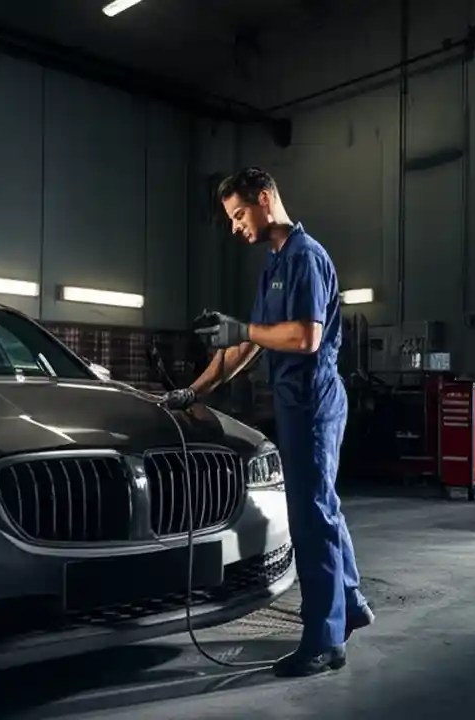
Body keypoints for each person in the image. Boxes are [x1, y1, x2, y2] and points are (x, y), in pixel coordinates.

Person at [162, 167, 373, 677]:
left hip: (315, 402)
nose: (235, 227)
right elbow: (248, 342)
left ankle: (324, 640)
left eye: (238, 215)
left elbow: (305, 338)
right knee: (323, 506)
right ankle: (351, 601)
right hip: (294, 403)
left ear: (264, 199)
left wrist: (246, 327)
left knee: (311, 517)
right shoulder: (274, 264)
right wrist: (195, 389)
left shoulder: (306, 257)